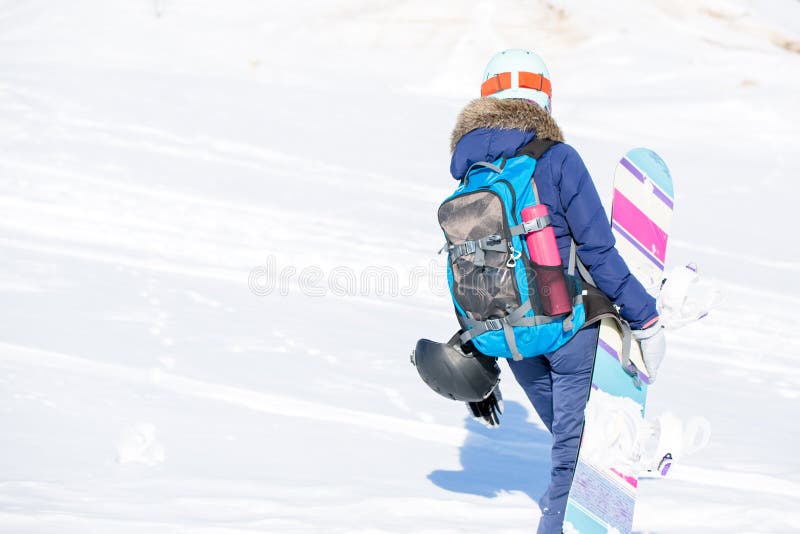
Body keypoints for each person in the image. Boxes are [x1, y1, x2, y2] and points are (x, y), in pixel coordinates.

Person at [448, 49, 666, 534]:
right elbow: (599, 253)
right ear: (545, 100)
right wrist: (646, 320)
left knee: (576, 455)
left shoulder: (470, 173)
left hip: (510, 339)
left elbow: (471, 268)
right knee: (577, 463)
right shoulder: (558, 159)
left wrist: (482, 354)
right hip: (568, 332)